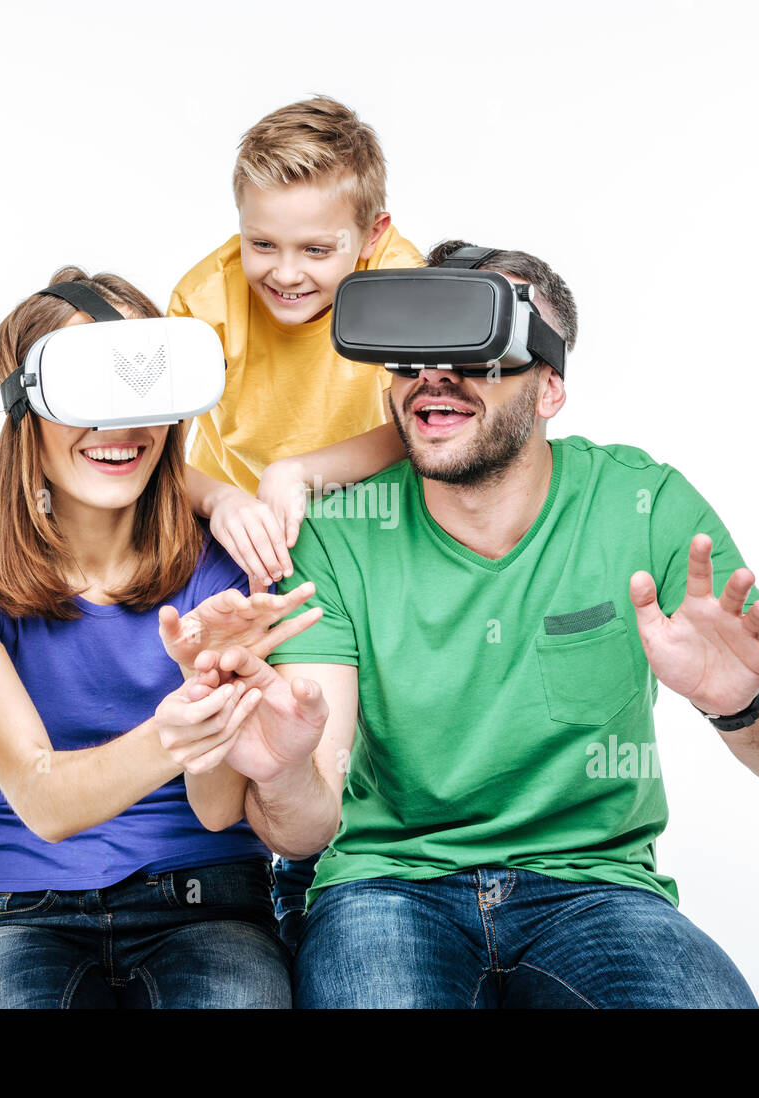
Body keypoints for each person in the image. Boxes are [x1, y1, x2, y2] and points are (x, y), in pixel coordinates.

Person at [164, 240, 759, 1008]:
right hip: (388, 889)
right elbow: (303, 825)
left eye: (478, 351)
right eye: (415, 354)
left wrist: (742, 704)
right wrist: (284, 772)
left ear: (550, 386)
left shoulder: (641, 507)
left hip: (595, 890)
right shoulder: (334, 533)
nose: (435, 377)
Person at [0, 267, 321, 1008]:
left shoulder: (226, 564)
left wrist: (212, 683)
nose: (121, 430)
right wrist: (175, 728)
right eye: (88, 398)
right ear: (26, 411)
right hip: (26, 911)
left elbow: (220, 811)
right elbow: (44, 800)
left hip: (210, 903)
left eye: (142, 395)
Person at [166, 95, 422, 946]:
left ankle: (361, 873)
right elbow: (148, 449)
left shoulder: (406, 282)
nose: (284, 271)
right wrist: (223, 497)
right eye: (262, 243)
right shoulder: (203, 295)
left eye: (318, 249)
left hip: (375, 531)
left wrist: (302, 469)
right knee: (258, 708)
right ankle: (267, 881)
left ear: (373, 235)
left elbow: (416, 423)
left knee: (364, 721)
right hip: (251, 542)